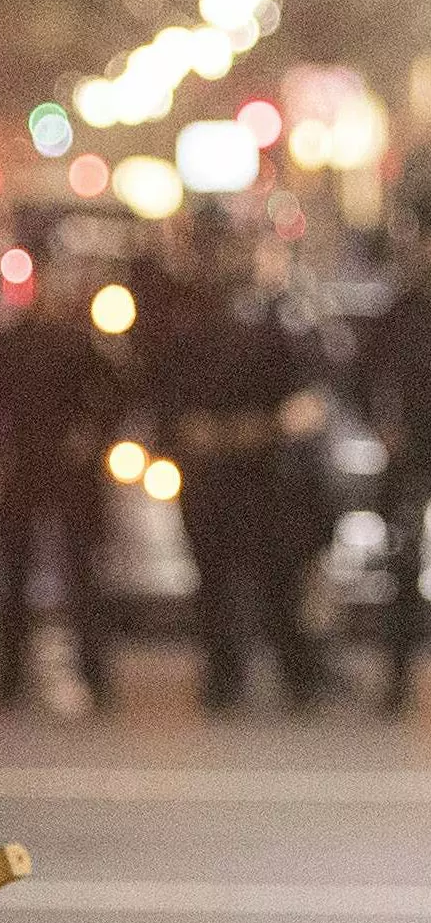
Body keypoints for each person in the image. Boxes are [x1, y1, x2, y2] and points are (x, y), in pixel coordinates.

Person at [152, 211, 329, 712]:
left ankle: (293, 671)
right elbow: (166, 398)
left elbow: (303, 399)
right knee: (216, 578)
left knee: (274, 577)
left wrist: (261, 430)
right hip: (214, 470)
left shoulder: (276, 320)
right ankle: (230, 675)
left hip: (260, 471)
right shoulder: (184, 319)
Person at [0, 252, 127, 708]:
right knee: (19, 574)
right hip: (28, 462)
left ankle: (88, 671)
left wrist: (90, 435)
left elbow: (114, 395)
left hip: (66, 467)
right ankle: (11, 675)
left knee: (81, 573)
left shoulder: (80, 342)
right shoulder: (17, 341)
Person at [361, 197, 431, 711]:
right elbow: (366, 375)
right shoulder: (401, 309)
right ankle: (396, 677)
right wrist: (384, 426)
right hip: (412, 448)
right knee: (402, 567)